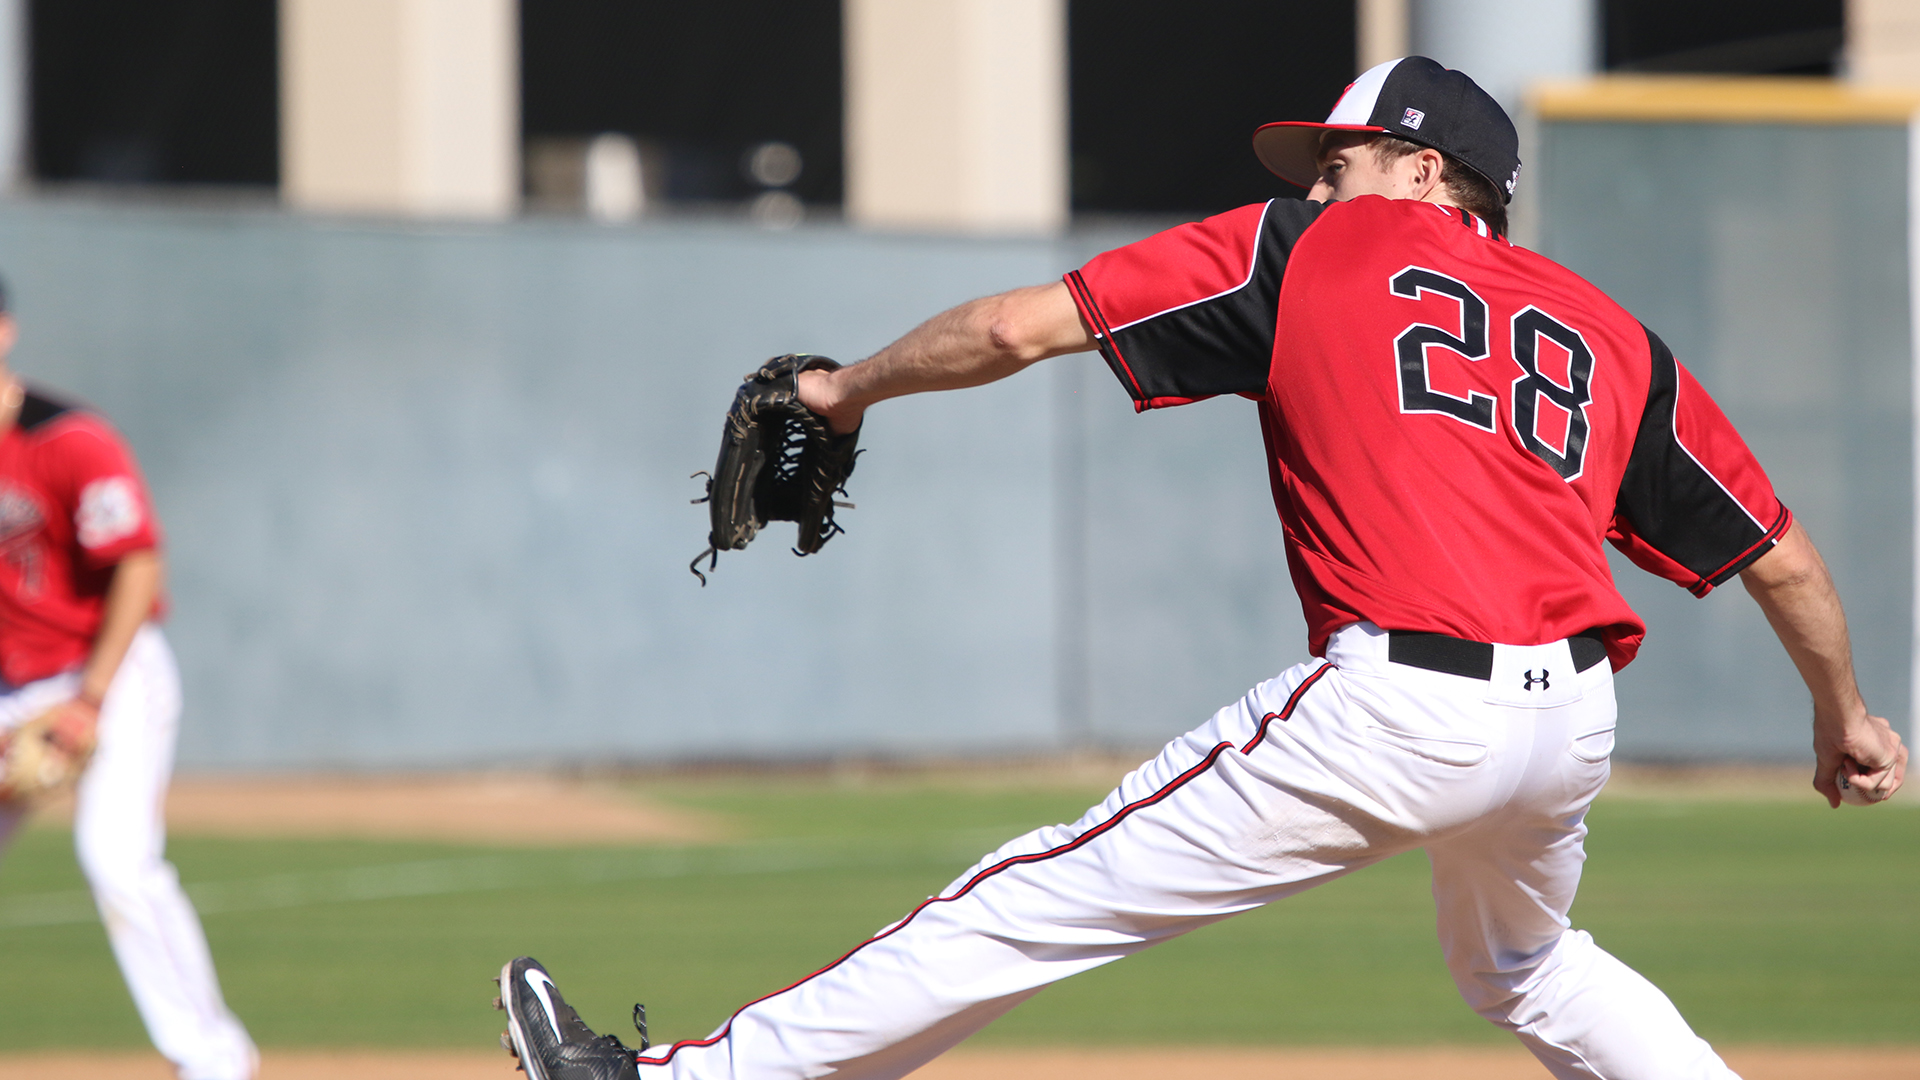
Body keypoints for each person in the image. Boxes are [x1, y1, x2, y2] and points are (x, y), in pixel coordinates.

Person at [499, 57, 1908, 1080]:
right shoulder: (1608, 331)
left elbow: (1014, 330)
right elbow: (1780, 556)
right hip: (1568, 722)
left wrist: (842, 390)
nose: (1317, 183)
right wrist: (1841, 714)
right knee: (1530, 967)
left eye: (1341, 161)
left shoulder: (1313, 248)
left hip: (1402, 706)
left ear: (1424, 171)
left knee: (1036, 894)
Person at [0, 282, 256, 1080]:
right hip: (12, 683)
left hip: (109, 668)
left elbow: (138, 567)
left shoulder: (68, 439)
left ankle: (213, 1059)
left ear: (4, 331)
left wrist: (89, 702)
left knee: (116, 859)